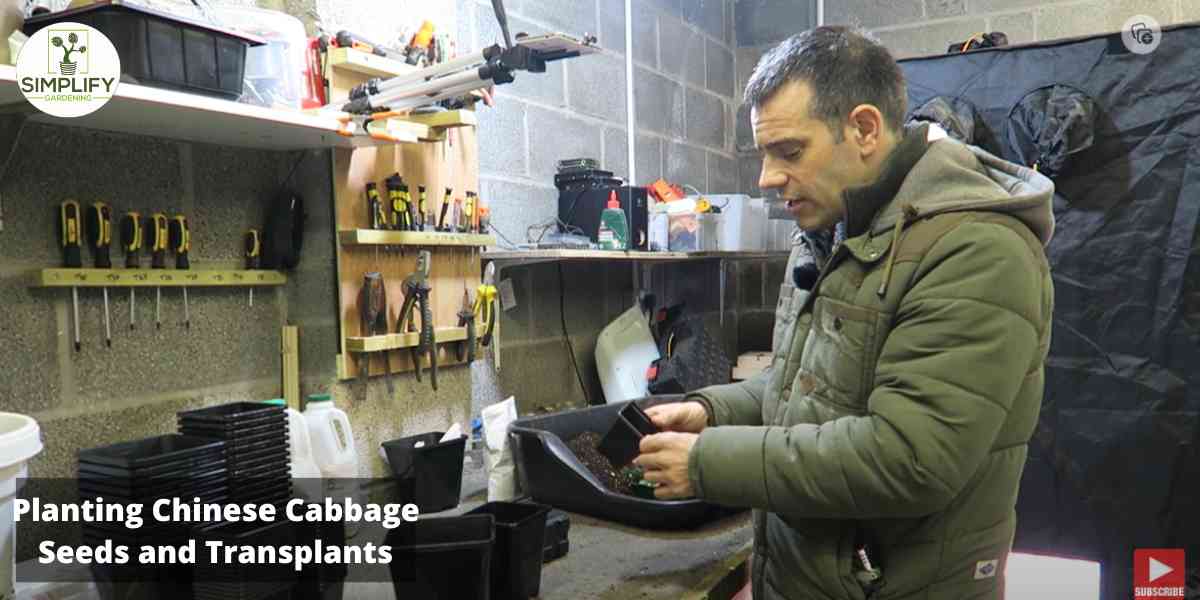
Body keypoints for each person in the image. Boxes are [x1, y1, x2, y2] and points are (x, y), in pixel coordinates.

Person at [632, 25, 1056, 599]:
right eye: (764, 153)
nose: (767, 177)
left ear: (863, 129)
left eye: (790, 151)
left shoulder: (975, 248)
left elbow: (910, 459)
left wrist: (708, 462)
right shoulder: (832, 233)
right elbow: (804, 389)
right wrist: (710, 413)